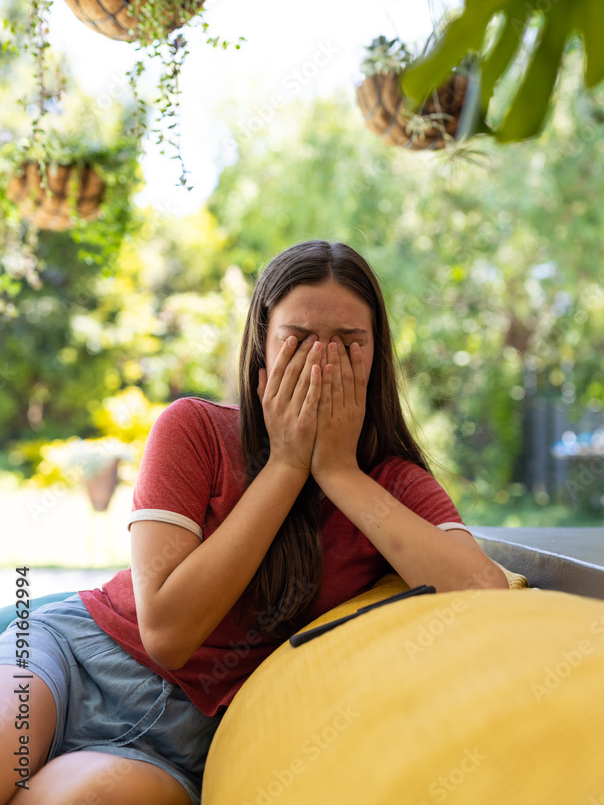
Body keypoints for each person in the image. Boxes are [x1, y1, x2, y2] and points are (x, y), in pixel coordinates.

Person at [0, 240, 507, 805]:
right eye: (299, 340)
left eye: (348, 344)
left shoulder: (391, 484)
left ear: (376, 355)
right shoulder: (193, 429)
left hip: (182, 740)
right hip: (74, 657)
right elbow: (165, 632)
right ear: (262, 348)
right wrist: (287, 465)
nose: (322, 362)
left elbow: (482, 591)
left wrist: (337, 471)